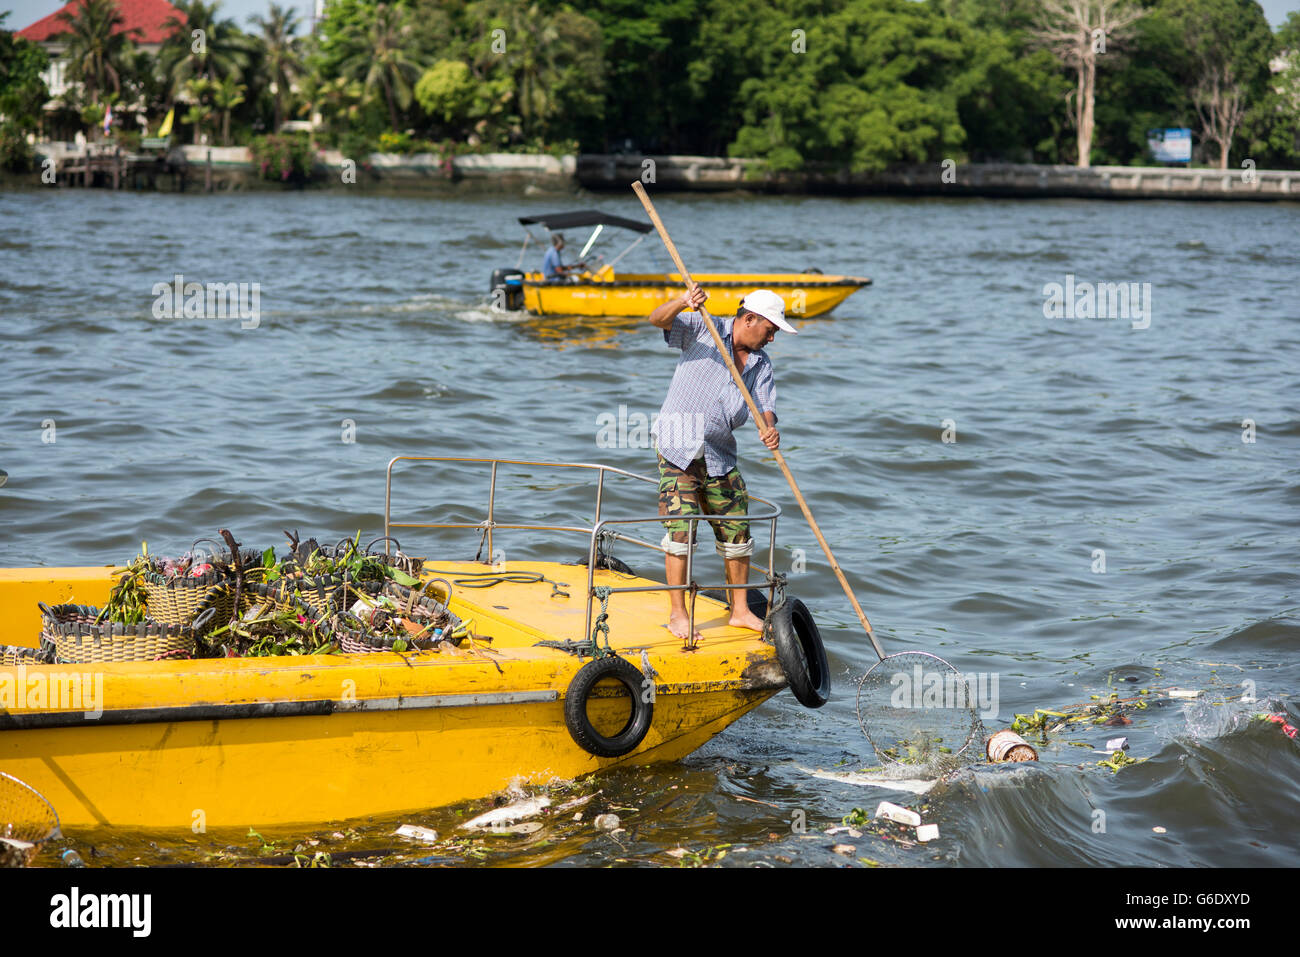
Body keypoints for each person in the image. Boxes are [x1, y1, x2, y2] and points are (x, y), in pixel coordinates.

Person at [647, 285, 797, 642]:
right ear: (749, 319)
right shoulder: (704, 327)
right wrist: (684, 302)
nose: (772, 338)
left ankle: (741, 611)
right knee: (681, 530)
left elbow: (765, 406)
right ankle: (678, 613)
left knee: (737, 531)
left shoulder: (761, 363)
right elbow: (656, 320)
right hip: (677, 446)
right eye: (770, 329)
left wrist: (769, 428)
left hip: (718, 453)